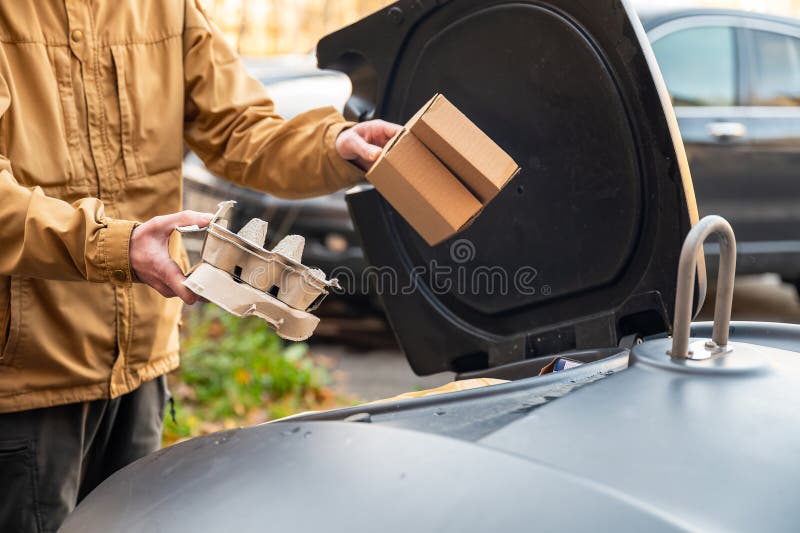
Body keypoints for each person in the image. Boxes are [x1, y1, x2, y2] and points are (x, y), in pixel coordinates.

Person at [0, 2, 401, 530]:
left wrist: (333, 145)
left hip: (142, 365)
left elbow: (240, 130)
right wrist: (113, 244)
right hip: (28, 376)